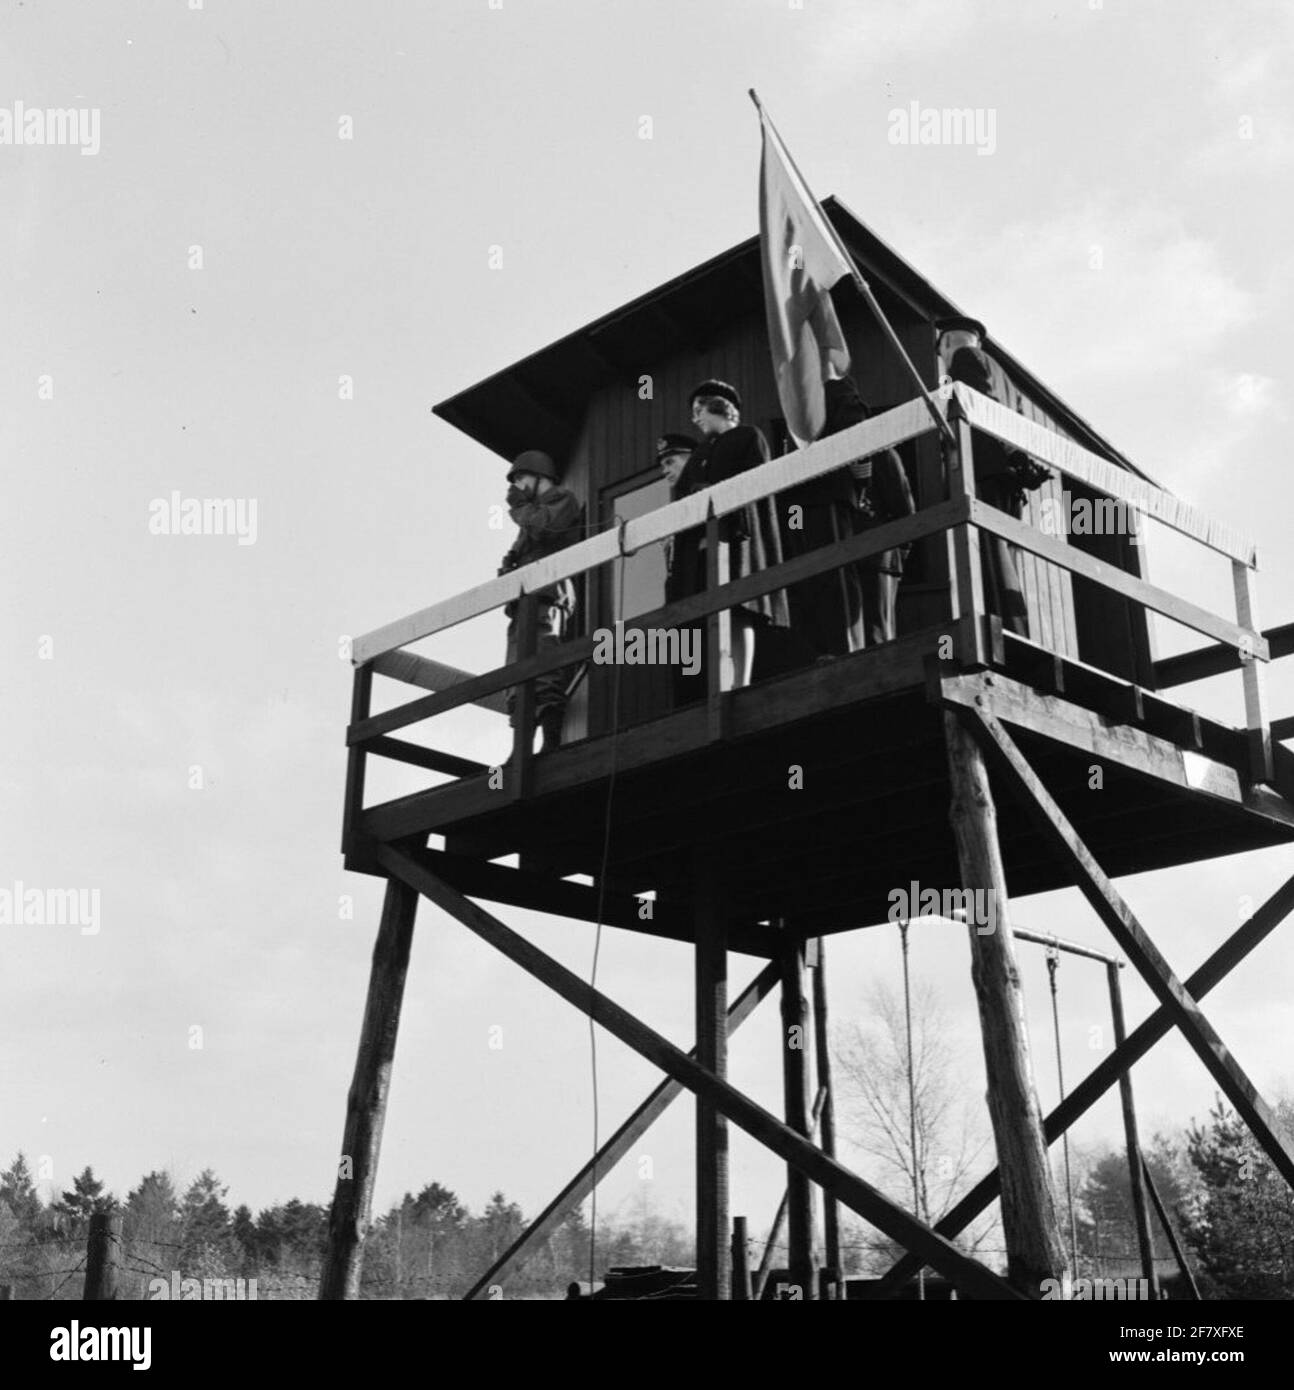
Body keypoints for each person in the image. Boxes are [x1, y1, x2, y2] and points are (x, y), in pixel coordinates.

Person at [675, 380, 789, 689]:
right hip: (702, 545)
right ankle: (720, 686)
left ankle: (741, 682)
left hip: (738, 538)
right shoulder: (699, 454)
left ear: (719, 406)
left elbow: (758, 484)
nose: (695, 418)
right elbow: (681, 494)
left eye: (700, 409)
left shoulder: (748, 437)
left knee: (739, 611)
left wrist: (715, 495)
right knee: (713, 615)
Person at [947, 345, 1050, 637]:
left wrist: (1011, 454)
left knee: (989, 559)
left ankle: (1002, 631)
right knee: (1005, 558)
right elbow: (1017, 421)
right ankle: (1015, 629)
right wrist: (1022, 462)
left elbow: (982, 404)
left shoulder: (964, 358)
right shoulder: (1006, 376)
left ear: (948, 341)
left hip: (982, 470)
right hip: (1008, 478)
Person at [498, 449, 583, 752]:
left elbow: (544, 528)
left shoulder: (563, 499)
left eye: (521, 478)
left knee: (546, 667)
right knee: (517, 677)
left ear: (540, 476)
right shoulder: (529, 513)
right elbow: (522, 549)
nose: (517, 486)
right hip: (524, 604)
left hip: (550, 593)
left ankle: (550, 742)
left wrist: (520, 508)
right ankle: (520, 749)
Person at [779, 368, 866, 662]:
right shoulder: (794, 394)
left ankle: (845, 649)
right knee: (805, 578)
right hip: (796, 503)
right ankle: (818, 652)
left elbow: (855, 426)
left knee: (834, 573)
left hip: (827, 492)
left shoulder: (833, 384)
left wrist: (859, 481)